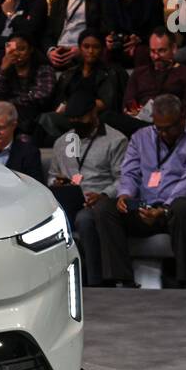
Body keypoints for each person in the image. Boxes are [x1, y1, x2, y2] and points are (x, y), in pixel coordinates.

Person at [88, 94, 186, 287]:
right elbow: (130, 172)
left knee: (182, 208)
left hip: (181, 206)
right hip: (146, 205)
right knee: (104, 208)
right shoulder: (141, 137)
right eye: (159, 128)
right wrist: (125, 195)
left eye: (169, 127)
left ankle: (185, 280)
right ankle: (122, 279)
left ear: (183, 116)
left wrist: (164, 209)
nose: (163, 133)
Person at [49, 89, 128, 286]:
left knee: (84, 219)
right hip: (69, 199)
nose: (76, 123)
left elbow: (123, 179)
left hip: (99, 202)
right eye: (72, 119)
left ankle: (95, 283)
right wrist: (56, 183)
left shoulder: (115, 140)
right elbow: (52, 175)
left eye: (81, 118)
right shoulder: (63, 142)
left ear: (93, 113)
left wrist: (103, 195)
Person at [104, 30, 186, 136]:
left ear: (173, 48)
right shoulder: (139, 73)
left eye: (161, 51)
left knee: (169, 126)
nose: (156, 57)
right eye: (152, 51)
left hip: (170, 122)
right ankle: (149, 131)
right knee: (107, 117)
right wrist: (135, 110)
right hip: (140, 122)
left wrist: (161, 112)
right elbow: (127, 103)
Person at [38, 31, 126, 143]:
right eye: (86, 46)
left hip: (95, 117)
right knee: (41, 121)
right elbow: (59, 100)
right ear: (79, 48)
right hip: (70, 116)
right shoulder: (69, 74)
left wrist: (75, 107)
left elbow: (106, 102)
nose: (90, 51)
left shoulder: (111, 72)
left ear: (103, 49)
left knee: (47, 119)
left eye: (96, 47)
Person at [100, 0, 164, 69]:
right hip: (119, 48)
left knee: (141, 53)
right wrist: (109, 40)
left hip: (144, 45)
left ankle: (144, 85)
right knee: (105, 54)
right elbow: (106, 28)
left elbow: (159, 30)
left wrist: (140, 39)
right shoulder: (108, 0)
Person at [0, 33, 55, 137]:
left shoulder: (43, 69)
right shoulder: (5, 70)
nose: (17, 54)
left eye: (22, 49)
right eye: (13, 50)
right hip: (6, 117)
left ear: (31, 50)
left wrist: (10, 104)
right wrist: (2, 70)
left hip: (34, 118)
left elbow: (41, 96)